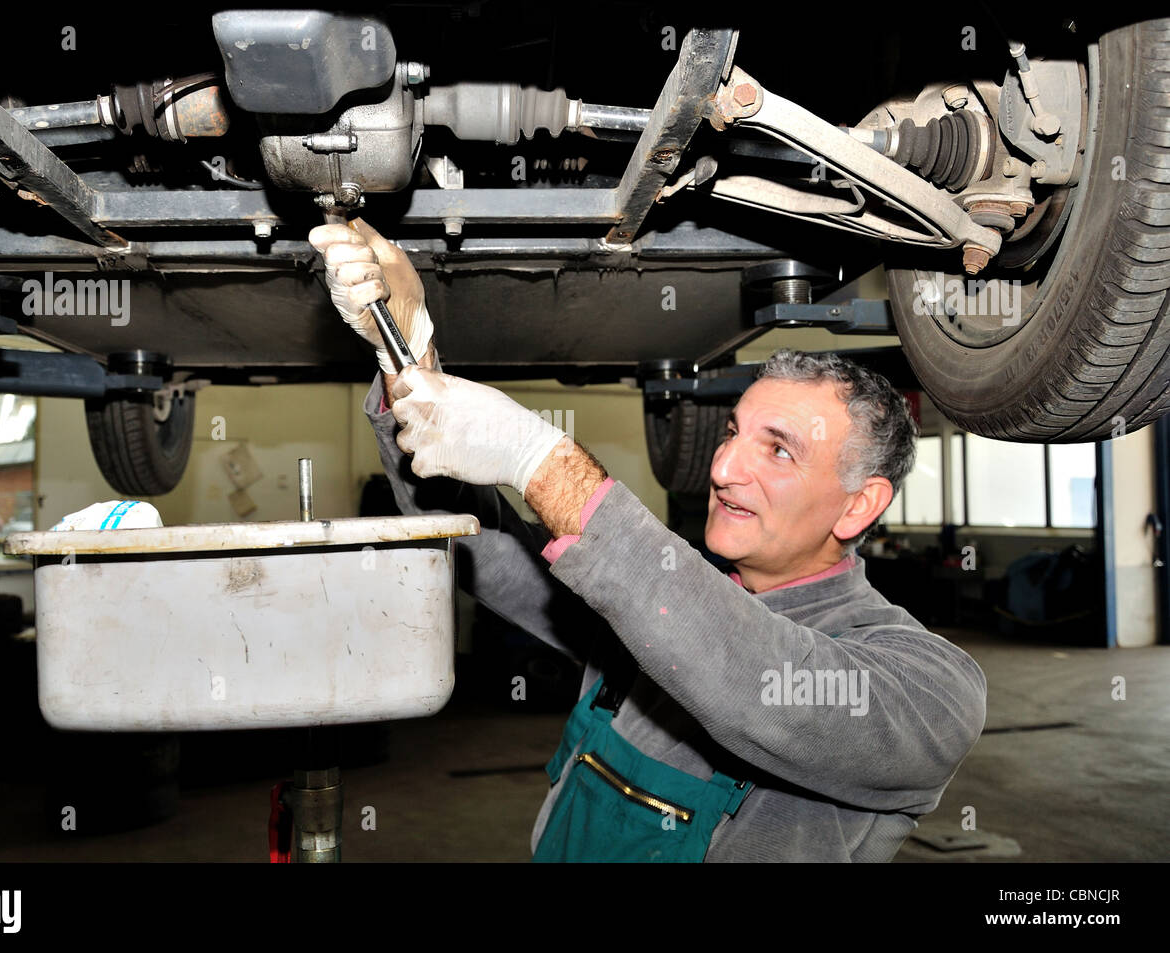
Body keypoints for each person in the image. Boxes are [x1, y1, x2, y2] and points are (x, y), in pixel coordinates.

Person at [308, 219, 987, 863]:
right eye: (732, 433)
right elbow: (487, 558)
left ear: (859, 504)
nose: (722, 470)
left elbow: (754, 684)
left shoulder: (930, 689)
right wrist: (408, 359)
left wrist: (538, 459)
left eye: (777, 450)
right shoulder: (656, 598)